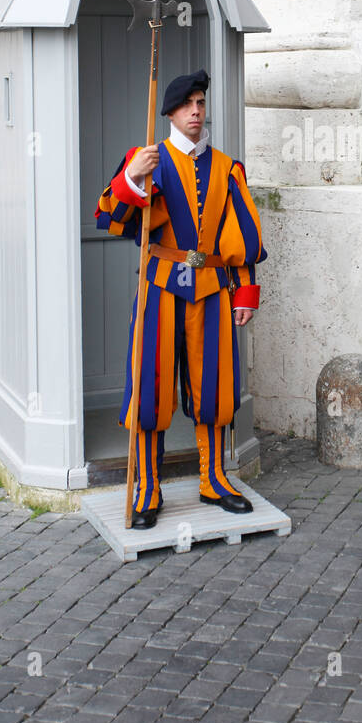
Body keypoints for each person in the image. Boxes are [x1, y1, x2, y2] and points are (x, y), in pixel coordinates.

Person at [94, 69, 266, 528]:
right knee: (151, 387)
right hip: (159, 290)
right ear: (169, 111)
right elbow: (112, 217)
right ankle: (148, 488)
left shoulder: (229, 168)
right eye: (187, 103)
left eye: (201, 103)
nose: (196, 110)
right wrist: (132, 177)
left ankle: (214, 479)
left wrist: (244, 291)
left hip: (211, 290)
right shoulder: (147, 161)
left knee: (214, 386)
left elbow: (241, 238)